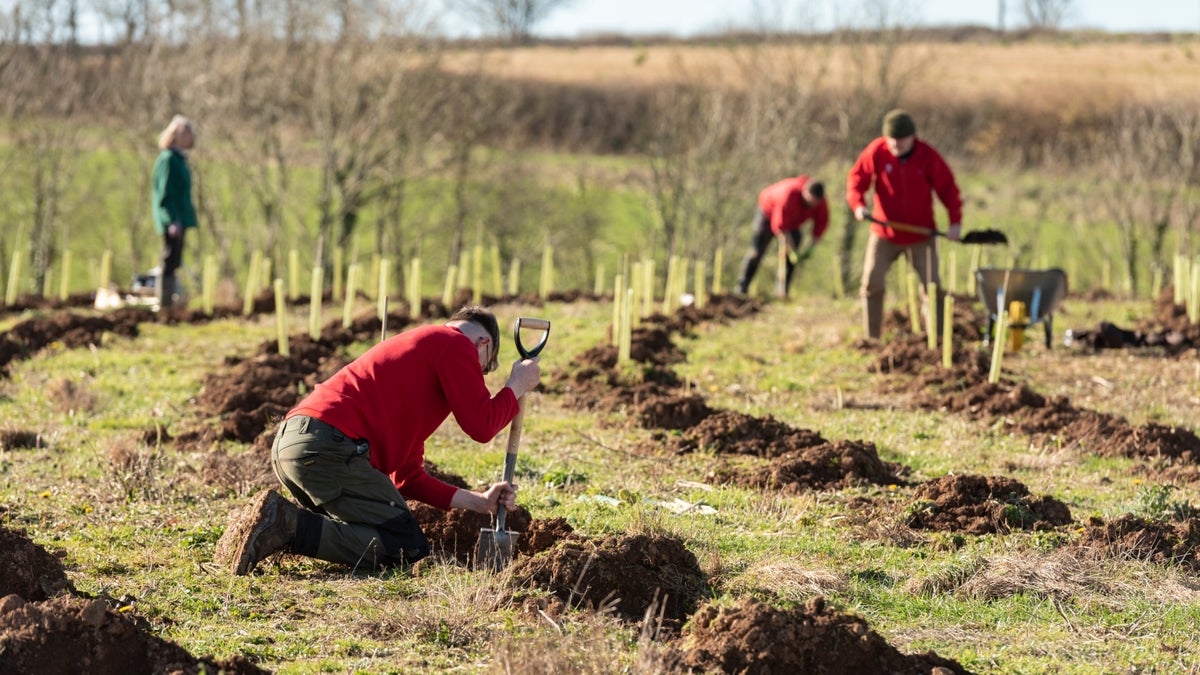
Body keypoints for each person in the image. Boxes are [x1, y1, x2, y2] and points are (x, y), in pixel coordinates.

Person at [213, 305, 542, 575]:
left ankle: (277, 526)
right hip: (330, 447)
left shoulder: (420, 357)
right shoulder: (455, 344)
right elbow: (482, 426)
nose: (477, 376)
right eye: (484, 370)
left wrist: (479, 501)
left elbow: (408, 479)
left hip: (295, 445)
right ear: (483, 343)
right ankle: (286, 525)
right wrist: (516, 385)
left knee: (379, 534)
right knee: (403, 546)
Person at [846, 109, 963, 339]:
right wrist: (858, 205)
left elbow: (948, 189)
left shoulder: (927, 156)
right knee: (872, 282)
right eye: (892, 141)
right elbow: (856, 180)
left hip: (921, 236)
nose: (895, 145)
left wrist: (955, 222)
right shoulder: (876, 151)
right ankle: (872, 338)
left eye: (900, 141)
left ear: (912, 138)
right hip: (884, 232)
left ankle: (936, 340)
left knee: (932, 287)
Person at [735, 176, 828, 297]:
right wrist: (792, 249)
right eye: (810, 201)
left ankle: (783, 292)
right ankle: (742, 287)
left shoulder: (821, 204)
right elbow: (780, 227)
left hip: (793, 222)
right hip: (767, 214)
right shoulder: (789, 195)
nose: (812, 205)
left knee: (790, 258)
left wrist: (812, 247)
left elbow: (821, 225)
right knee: (756, 251)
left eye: (815, 203)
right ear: (805, 192)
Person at [151, 115, 198, 310]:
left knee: (174, 260)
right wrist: (171, 220)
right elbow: (165, 193)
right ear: (177, 135)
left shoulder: (178, 159)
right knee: (169, 260)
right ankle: (165, 304)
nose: (190, 138)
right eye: (185, 134)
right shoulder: (168, 159)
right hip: (172, 219)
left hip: (179, 217)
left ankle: (169, 302)